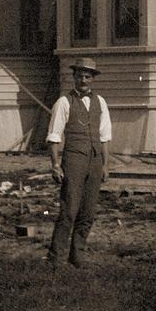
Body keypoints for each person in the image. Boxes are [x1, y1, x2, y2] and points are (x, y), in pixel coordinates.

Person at [46, 58, 111, 268]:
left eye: (87, 76)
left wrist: (105, 165)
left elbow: (104, 137)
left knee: (88, 212)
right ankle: (55, 258)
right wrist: (55, 165)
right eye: (80, 76)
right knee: (69, 210)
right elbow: (54, 136)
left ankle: (77, 256)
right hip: (73, 159)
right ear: (74, 77)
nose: (83, 80)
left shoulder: (100, 102)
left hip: (94, 161)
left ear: (92, 79)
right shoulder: (64, 102)